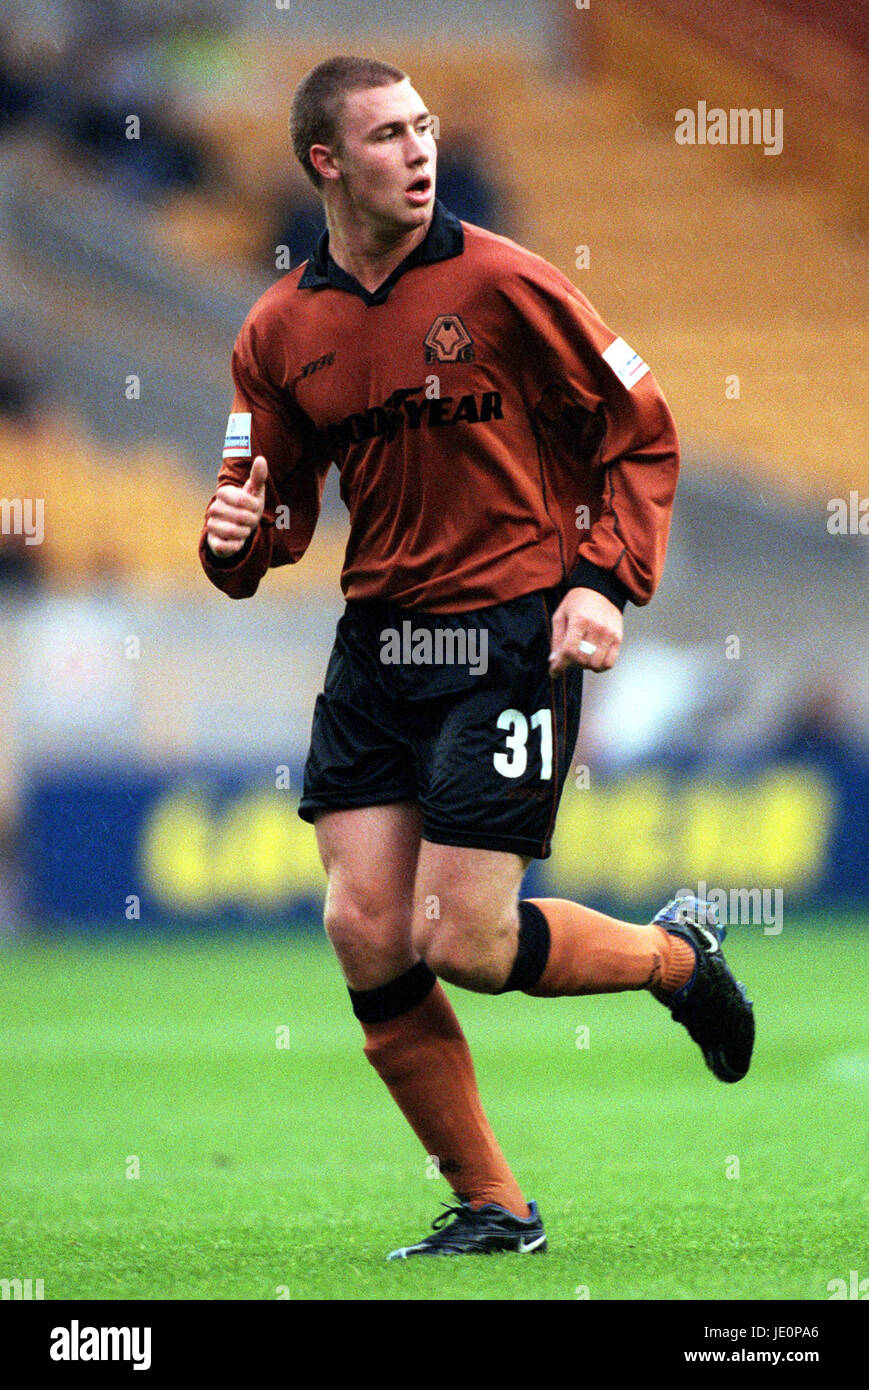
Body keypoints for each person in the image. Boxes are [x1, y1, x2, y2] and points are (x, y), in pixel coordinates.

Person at [199, 56, 754, 1259]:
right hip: (376, 648)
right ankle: (495, 1206)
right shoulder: (276, 330)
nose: (418, 148)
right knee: (364, 929)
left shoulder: (507, 284)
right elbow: (275, 517)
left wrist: (602, 581)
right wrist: (230, 539)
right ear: (324, 163)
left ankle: (674, 956)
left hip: (504, 635)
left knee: (466, 941)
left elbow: (640, 427)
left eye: (423, 127)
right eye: (388, 134)